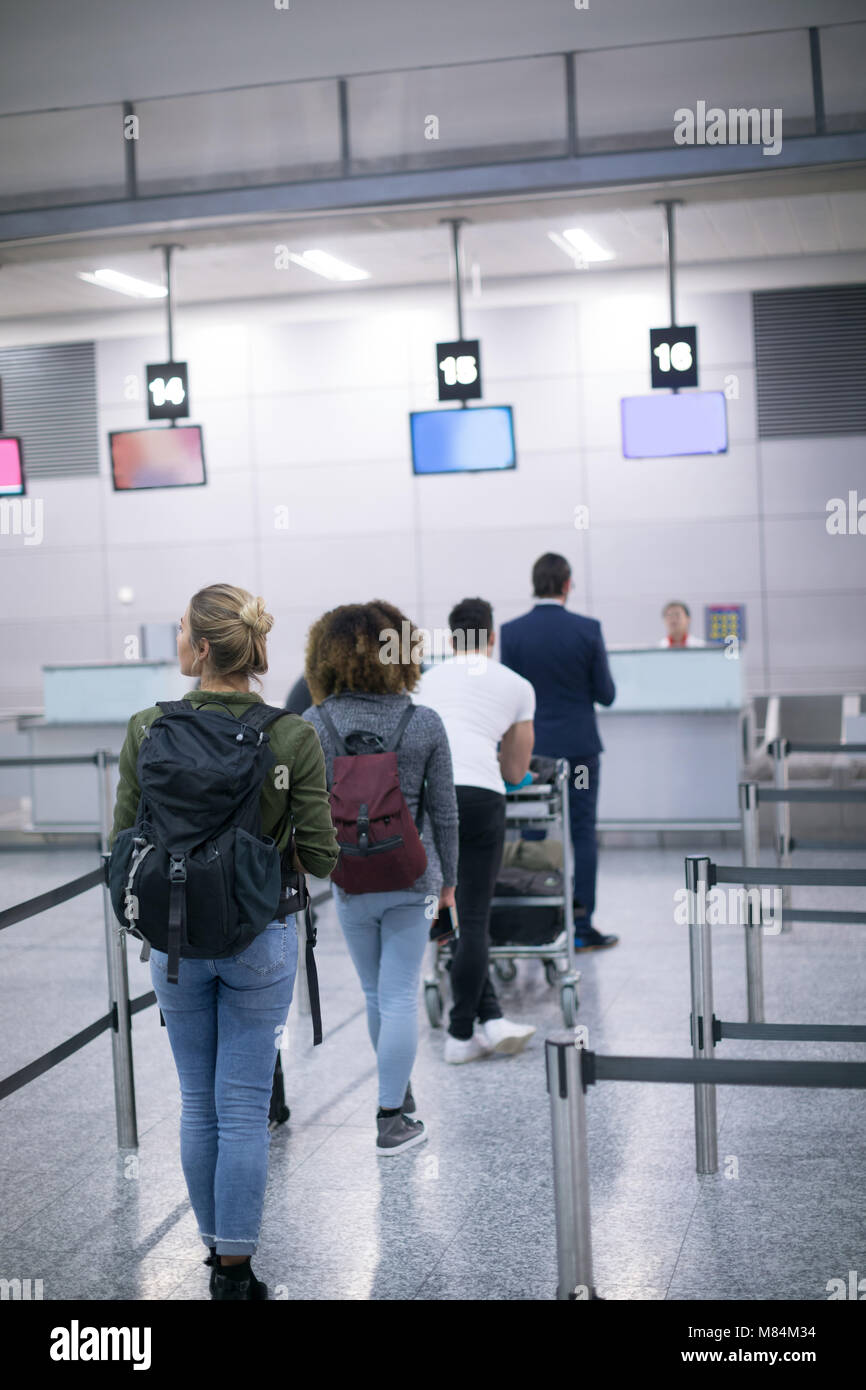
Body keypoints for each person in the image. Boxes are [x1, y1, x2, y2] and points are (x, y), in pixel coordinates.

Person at [108, 584, 339, 1300]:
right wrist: (258, 862)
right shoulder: (291, 734)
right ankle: (235, 1275)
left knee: (196, 1101)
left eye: (181, 632)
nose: (177, 641)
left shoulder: (148, 728)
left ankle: (213, 1249)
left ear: (203, 649)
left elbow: (123, 841)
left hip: (174, 941)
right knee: (242, 1104)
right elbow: (324, 855)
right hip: (261, 935)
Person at [303, 600, 458, 1155]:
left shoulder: (313, 726)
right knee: (398, 997)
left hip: (349, 880)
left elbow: (305, 811)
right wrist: (449, 885)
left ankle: (397, 1089)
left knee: (376, 995)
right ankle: (391, 1120)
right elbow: (445, 813)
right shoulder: (423, 723)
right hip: (413, 880)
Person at [417, 597, 537, 1063]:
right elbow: (514, 769)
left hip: (431, 798)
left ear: (450, 640)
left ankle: (489, 1016)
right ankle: (461, 1033)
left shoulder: (424, 682)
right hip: (483, 798)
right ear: (491, 637)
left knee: (449, 910)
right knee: (475, 916)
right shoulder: (517, 686)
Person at [499, 553, 618, 952]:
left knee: (530, 828)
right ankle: (582, 926)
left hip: (533, 756)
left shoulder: (512, 633)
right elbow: (606, 694)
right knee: (582, 832)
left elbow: (511, 700)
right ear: (567, 584)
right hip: (580, 754)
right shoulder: (587, 630)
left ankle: (531, 920)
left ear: (535, 583)